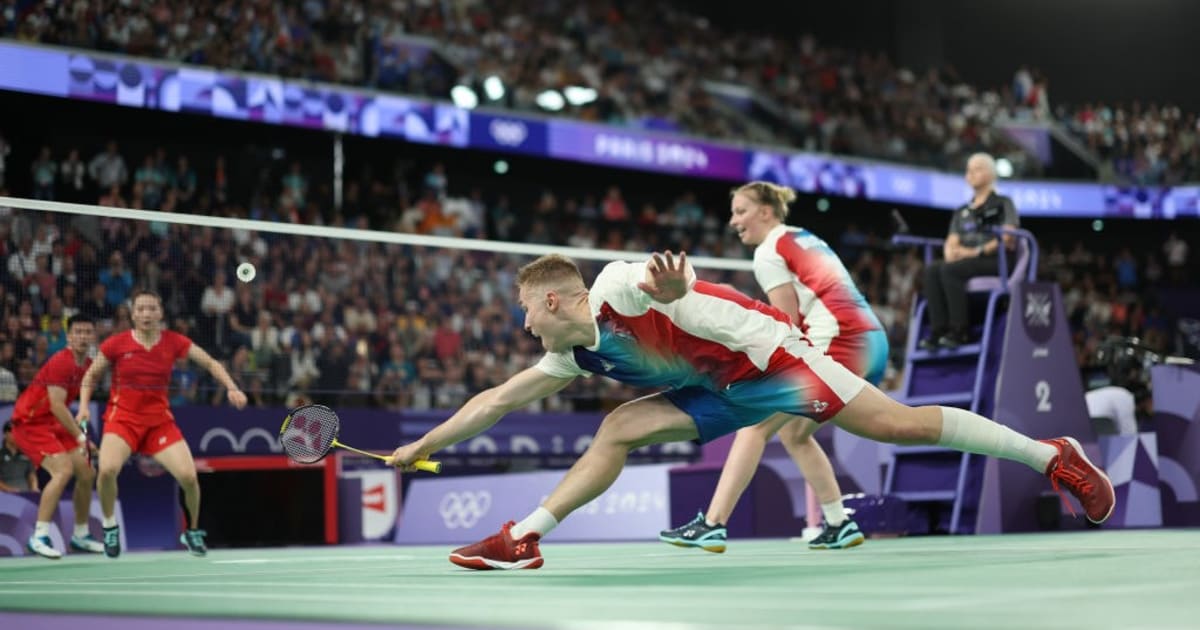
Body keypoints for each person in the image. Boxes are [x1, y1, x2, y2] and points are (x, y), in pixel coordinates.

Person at [386, 251, 1114, 570]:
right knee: (618, 428)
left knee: (903, 425)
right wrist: (410, 448)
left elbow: (658, 282)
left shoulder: (613, 288)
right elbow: (492, 400)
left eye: (524, 311)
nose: (523, 327)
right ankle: (526, 539)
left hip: (770, 359)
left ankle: (1052, 455)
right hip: (715, 389)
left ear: (551, 300)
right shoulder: (568, 356)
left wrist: (671, 289)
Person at [659, 182, 887, 553]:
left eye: (741, 211)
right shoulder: (802, 236)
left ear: (766, 212)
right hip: (871, 339)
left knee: (755, 425)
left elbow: (788, 321)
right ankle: (838, 522)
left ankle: (712, 524)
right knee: (794, 433)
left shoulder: (768, 251)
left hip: (841, 341)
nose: (733, 221)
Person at [77, 289, 247, 558]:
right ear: (133, 314)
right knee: (107, 469)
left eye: (151, 309)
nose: (146, 314)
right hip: (122, 419)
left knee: (189, 477)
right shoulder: (116, 344)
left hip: (159, 423)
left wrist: (231, 387)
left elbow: (210, 362)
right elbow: (90, 376)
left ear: (160, 313)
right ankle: (110, 526)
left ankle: (191, 531)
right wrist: (84, 407)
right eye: (141, 309)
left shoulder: (173, 341)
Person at [8, 315, 105, 558]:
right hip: (30, 423)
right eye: (78, 332)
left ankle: (81, 534)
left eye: (87, 332)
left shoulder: (88, 366)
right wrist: (81, 438)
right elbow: (57, 405)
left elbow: (78, 404)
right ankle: (39, 536)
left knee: (86, 473)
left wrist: (82, 435)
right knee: (63, 471)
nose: (83, 336)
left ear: (93, 337)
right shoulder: (62, 361)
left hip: (52, 423)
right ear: (69, 337)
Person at [919, 153, 1020, 350]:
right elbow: (952, 241)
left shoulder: (1003, 203)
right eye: (968, 170)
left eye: (977, 168)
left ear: (991, 174)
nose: (971, 173)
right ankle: (939, 331)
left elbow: (1008, 237)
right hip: (967, 260)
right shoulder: (961, 211)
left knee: (950, 270)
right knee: (932, 269)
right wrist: (950, 252)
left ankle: (960, 331)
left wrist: (976, 251)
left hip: (995, 260)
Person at [1, 421, 37, 493]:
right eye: (12, 432)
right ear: (5, 435)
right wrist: (9, 490)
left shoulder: (26, 454)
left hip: (25, 496)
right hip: (5, 497)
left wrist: (34, 489)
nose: (16, 435)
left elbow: (31, 475)